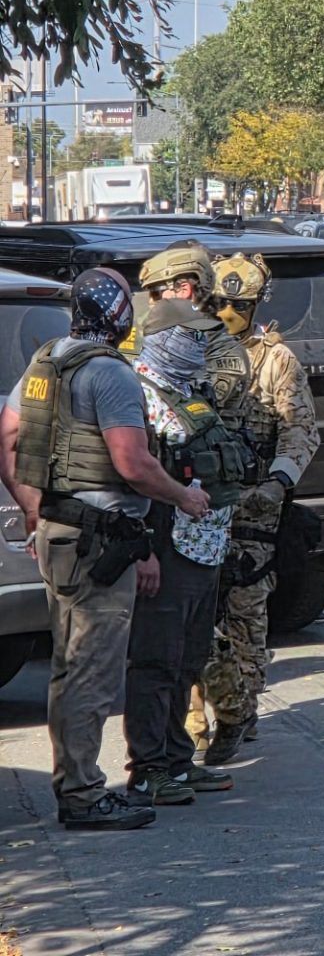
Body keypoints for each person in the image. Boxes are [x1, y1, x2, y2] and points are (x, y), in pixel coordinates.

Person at [0, 270, 211, 831]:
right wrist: (183, 496)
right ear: (120, 315)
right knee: (92, 670)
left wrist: (31, 507)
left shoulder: (47, 361)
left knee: (68, 668)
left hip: (58, 535)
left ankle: (75, 782)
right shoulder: (109, 373)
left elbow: (9, 438)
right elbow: (133, 463)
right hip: (101, 543)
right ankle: (85, 795)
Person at [124, 298, 254, 807]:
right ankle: (148, 767)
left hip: (205, 546)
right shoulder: (136, 393)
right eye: (191, 336)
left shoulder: (189, 390)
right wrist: (143, 551)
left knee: (187, 659)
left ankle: (177, 761)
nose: (201, 344)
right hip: (166, 545)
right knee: (155, 661)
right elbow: (132, 476)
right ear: (163, 339)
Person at [199, 254, 320, 763]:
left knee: (246, 609)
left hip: (254, 504)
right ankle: (195, 715)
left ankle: (241, 707)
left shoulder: (276, 360)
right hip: (200, 501)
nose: (229, 313)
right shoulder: (193, 351)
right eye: (220, 303)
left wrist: (278, 481)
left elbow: (299, 429)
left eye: (239, 305)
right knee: (199, 609)